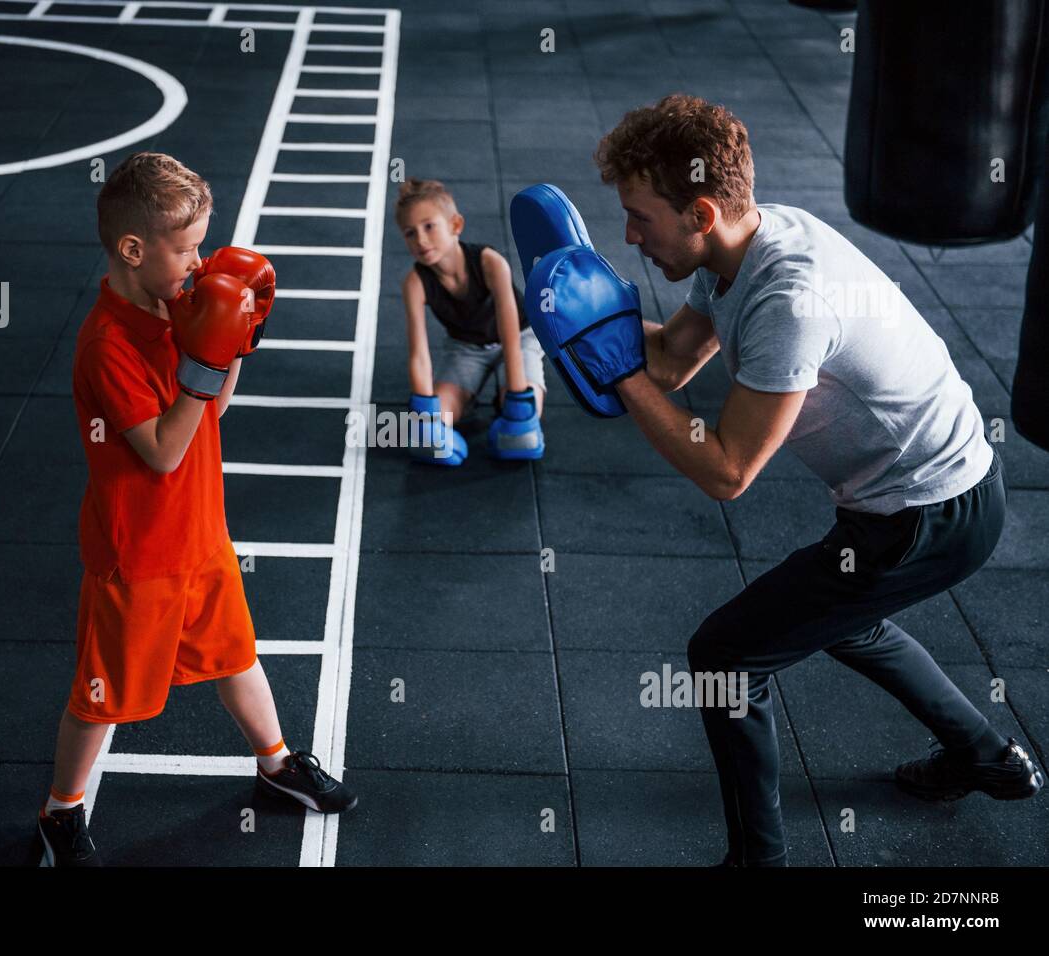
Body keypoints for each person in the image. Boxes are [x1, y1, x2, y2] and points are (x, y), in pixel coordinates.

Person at [517, 94, 1043, 867]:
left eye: (640, 217)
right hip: (915, 499)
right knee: (841, 618)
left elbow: (728, 471)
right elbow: (669, 361)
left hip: (934, 511)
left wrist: (618, 375)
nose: (629, 236)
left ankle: (758, 860)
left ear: (700, 211)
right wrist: (580, 322)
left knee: (727, 658)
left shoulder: (790, 299)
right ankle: (985, 754)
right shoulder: (743, 246)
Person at [38, 152, 356, 867]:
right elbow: (161, 450)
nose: (200, 261)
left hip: (201, 533)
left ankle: (274, 763)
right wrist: (205, 364)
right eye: (186, 250)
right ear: (133, 249)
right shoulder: (108, 343)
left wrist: (234, 344)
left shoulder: (173, 307)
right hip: (138, 553)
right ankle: (60, 813)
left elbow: (217, 412)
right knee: (101, 696)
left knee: (235, 653)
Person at [396, 178, 546, 465]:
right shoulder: (415, 283)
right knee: (431, 428)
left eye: (429, 226)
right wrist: (425, 416)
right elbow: (419, 354)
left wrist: (517, 405)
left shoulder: (491, 263)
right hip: (465, 347)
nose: (421, 240)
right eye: (410, 233)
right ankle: (464, 402)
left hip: (519, 337)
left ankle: (510, 402)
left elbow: (510, 334)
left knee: (523, 428)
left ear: (455, 225)